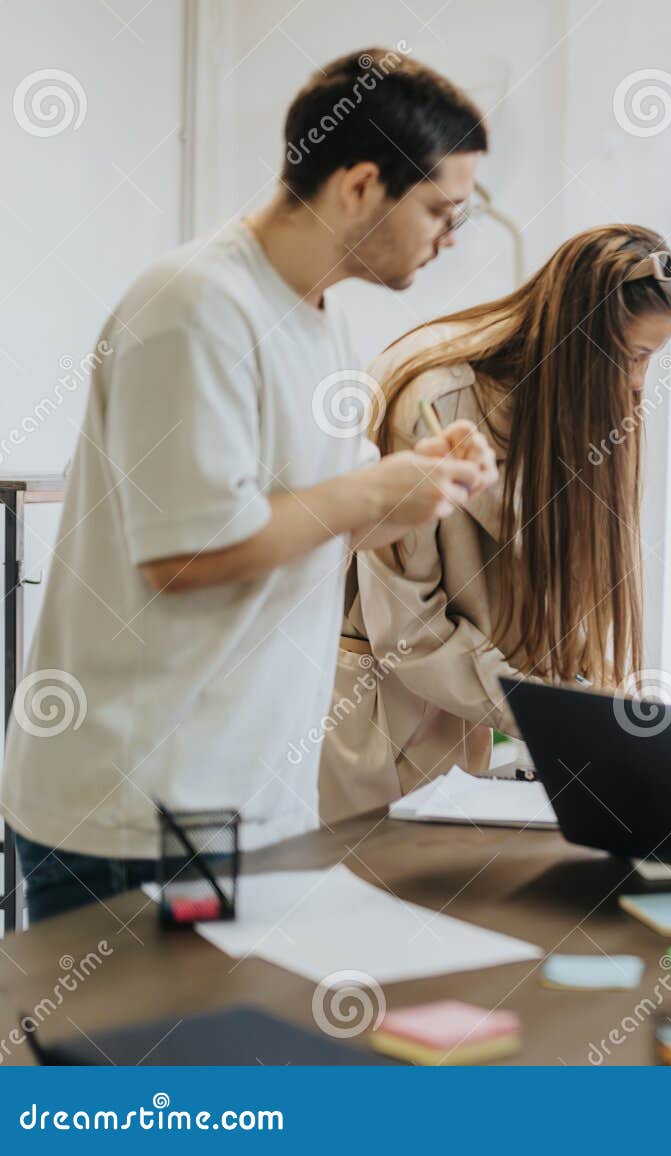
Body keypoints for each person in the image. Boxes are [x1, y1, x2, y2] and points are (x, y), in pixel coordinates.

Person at [1, 49, 498, 923]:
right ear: (358, 186)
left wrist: (417, 494)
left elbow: (296, 535)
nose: (448, 236)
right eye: (439, 209)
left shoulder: (318, 321)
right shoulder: (195, 306)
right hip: (136, 810)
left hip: (247, 794)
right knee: (145, 1063)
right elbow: (188, 553)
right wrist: (371, 486)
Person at [317, 226, 671, 822]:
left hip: (467, 717)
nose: (639, 382)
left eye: (653, 357)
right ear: (579, 341)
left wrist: (589, 711)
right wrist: (561, 716)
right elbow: (406, 630)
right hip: (377, 716)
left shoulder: (584, 409)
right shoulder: (432, 399)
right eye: (633, 356)